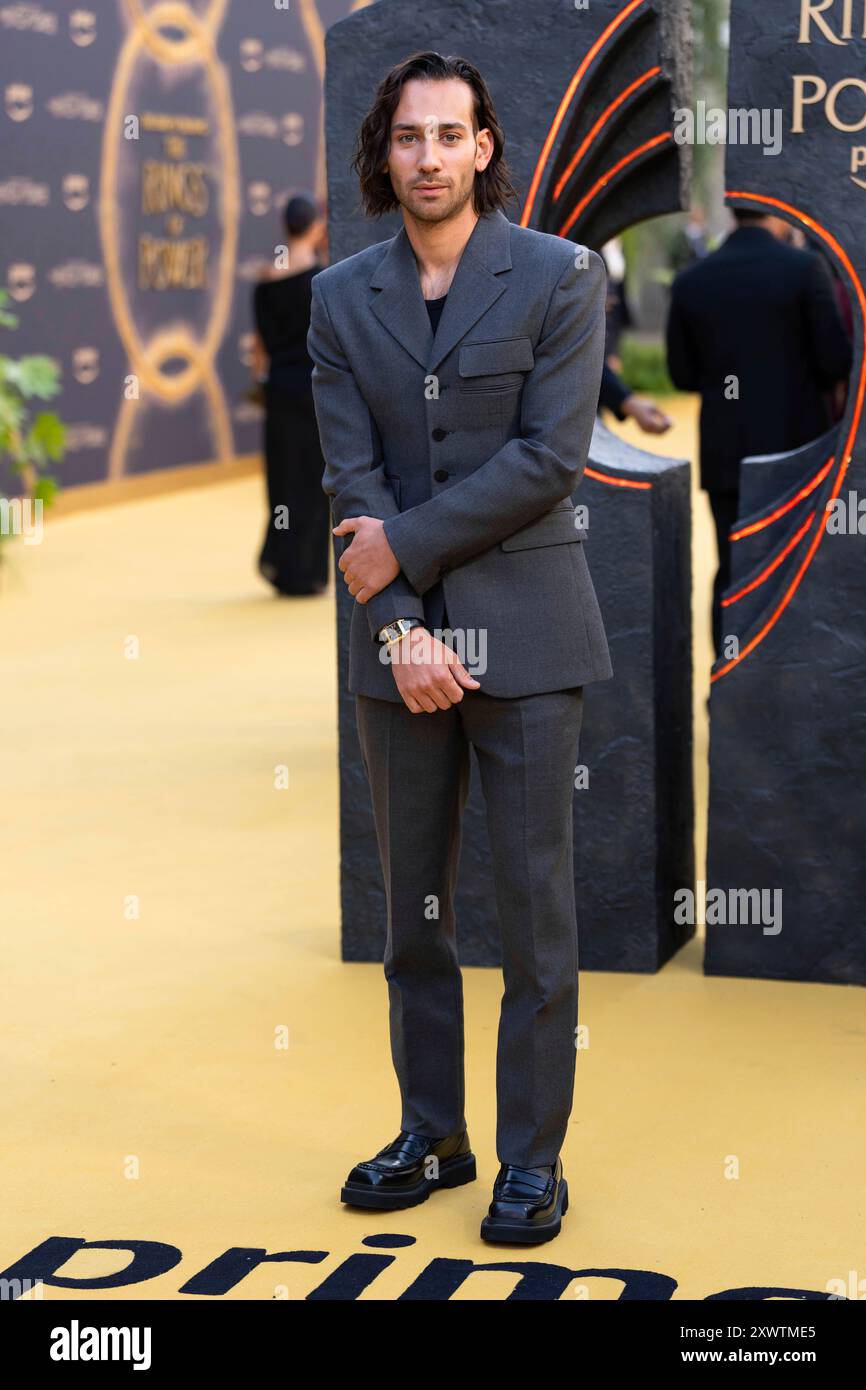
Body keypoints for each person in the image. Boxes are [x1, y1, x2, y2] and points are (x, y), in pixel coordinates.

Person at [307, 50, 612, 1245]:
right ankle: (431, 1131)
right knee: (413, 914)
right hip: (395, 655)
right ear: (383, 155)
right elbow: (348, 478)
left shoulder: (558, 276)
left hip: (529, 641)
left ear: (485, 147)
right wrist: (396, 630)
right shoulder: (340, 297)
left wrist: (399, 558)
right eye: (406, 137)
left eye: (449, 135)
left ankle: (532, 1162)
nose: (427, 156)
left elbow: (546, 459)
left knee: (532, 917)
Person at [665, 208, 853, 655]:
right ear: (779, 215)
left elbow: (682, 375)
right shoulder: (805, 269)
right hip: (799, 446)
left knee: (732, 566)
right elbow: (835, 361)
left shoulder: (694, 279)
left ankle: (727, 674)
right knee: (798, 565)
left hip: (726, 452)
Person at [252, 192, 330, 596]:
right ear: (315, 227)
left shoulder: (266, 278)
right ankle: (309, 569)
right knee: (314, 480)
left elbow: (260, 349)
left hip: (279, 390)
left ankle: (283, 566)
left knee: (283, 479)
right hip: (315, 390)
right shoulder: (323, 281)